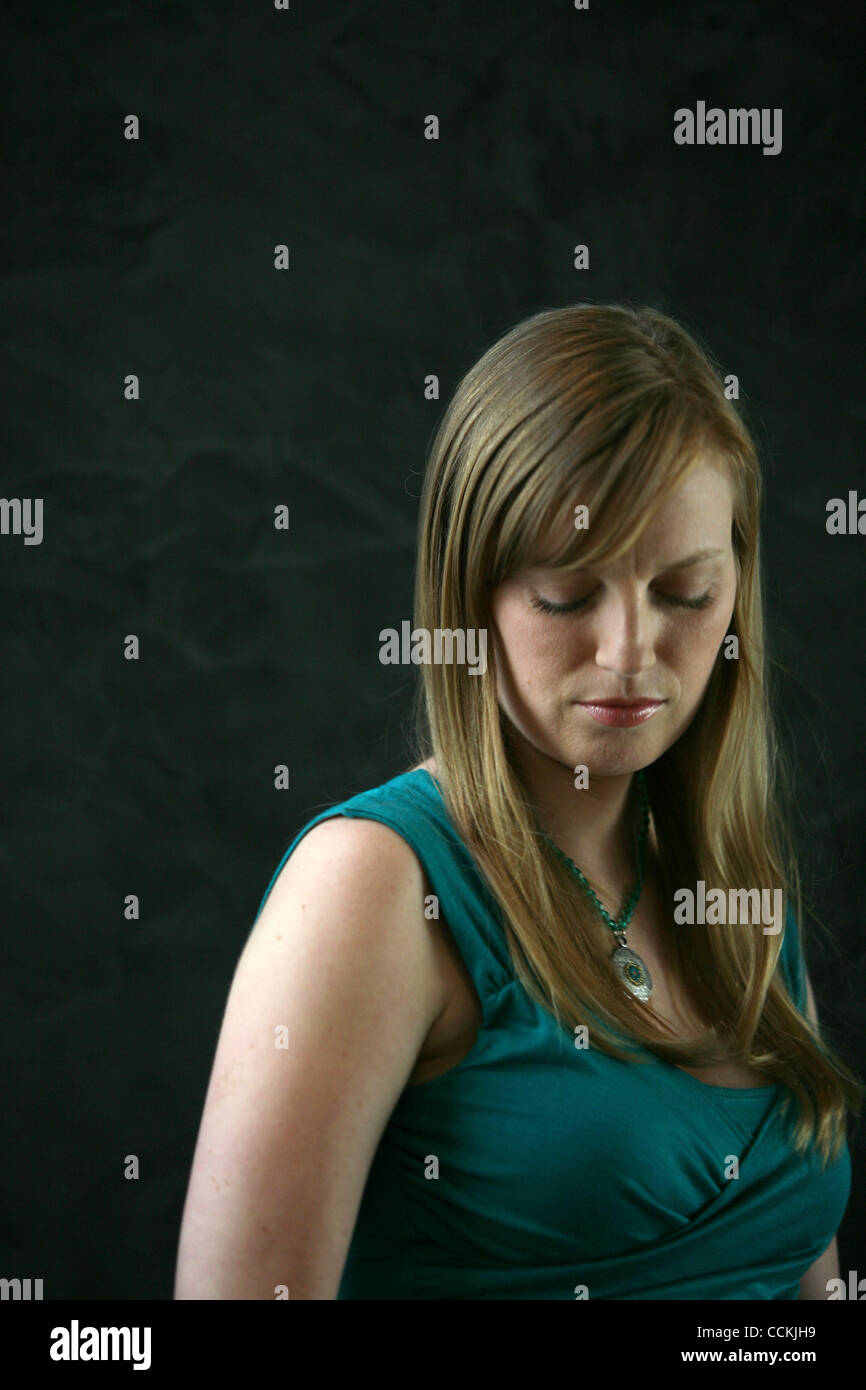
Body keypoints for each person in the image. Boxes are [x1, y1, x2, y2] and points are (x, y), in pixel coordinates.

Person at [174, 303, 861, 1300]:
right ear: (470, 597)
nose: (628, 650)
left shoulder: (737, 896)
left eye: (681, 591)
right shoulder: (372, 885)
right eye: (564, 595)